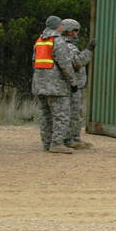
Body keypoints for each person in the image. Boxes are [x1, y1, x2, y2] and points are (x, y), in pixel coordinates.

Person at [30, 16, 73, 153]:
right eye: (61, 24)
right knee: (61, 115)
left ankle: (47, 143)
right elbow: (65, 64)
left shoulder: (39, 41)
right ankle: (57, 143)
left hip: (40, 85)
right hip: (56, 86)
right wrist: (72, 81)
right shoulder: (58, 41)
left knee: (45, 115)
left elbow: (33, 61)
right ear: (57, 26)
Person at [59, 19, 94, 149]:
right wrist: (89, 50)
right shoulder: (68, 46)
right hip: (72, 86)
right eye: (75, 31)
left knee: (75, 113)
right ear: (69, 31)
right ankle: (71, 139)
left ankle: (73, 138)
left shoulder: (62, 45)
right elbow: (77, 63)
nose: (77, 34)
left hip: (72, 85)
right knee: (74, 113)